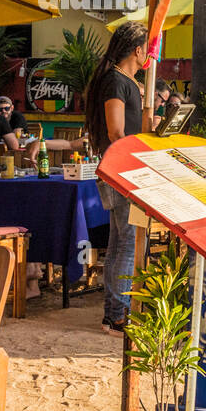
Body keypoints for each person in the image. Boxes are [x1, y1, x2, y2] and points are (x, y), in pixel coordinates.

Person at [84, 21, 149, 339]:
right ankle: (117, 315)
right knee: (125, 242)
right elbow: (116, 131)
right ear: (138, 50)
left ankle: (114, 312)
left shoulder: (123, 81)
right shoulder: (116, 82)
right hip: (122, 172)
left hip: (123, 170)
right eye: (147, 47)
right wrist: (131, 162)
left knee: (119, 241)